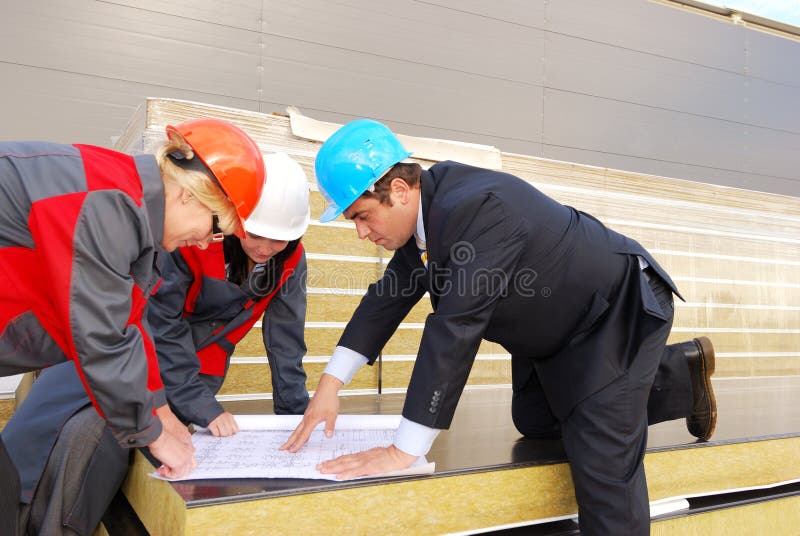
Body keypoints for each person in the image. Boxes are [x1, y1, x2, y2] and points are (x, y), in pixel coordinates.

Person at [282, 119, 718, 535]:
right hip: (557, 330)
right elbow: (387, 298)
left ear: (398, 190)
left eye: (361, 216)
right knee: (534, 418)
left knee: (600, 455)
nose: (361, 232)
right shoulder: (428, 216)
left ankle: (625, 399)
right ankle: (680, 374)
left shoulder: (479, 210)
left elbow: (455, 326)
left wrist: (404, 450)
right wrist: (330, 385)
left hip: (616, 311)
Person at [0, 118, 265, 535]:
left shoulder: (132, 214)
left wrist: (160, 408)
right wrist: (153, 435)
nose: (203, 244)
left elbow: (131, 322)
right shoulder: (110, 202)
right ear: (188, 194)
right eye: (215, 229)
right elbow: (101, 336)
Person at [149, 151, 311, 435]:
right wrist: (202, 405)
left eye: (278, 240)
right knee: (142, 431)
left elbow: (286, 341)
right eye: (256, 234)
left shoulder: (292, 260)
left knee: (179, 435)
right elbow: (162, 323)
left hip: (208, 361)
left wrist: (295, 417)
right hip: (157, 350)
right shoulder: (192, 237)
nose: (265, 248)